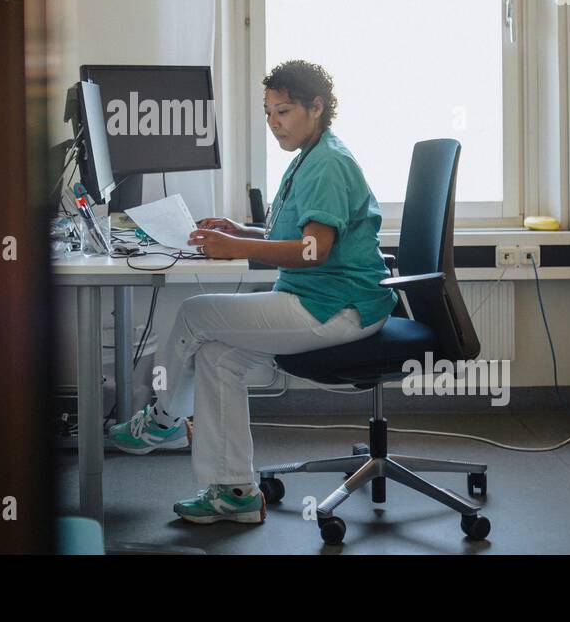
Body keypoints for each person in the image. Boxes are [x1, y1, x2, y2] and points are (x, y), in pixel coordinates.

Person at [107, 59, 399, 524]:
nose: (273, 123)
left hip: (336, 307)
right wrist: (240, 230)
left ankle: (162, 421)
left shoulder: (327, 164)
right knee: (218, 357)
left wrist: (237, 245)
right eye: (268, 113)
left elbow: (312, 251)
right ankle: (235, 492)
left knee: (195, 313)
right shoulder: (310, 156)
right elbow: (297, 234)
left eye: (283, 111)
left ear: (316, 107)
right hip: (321, 299)